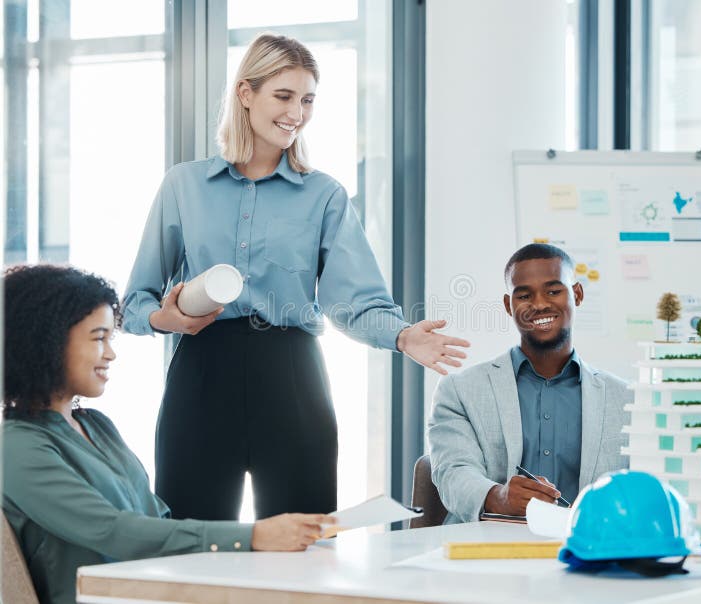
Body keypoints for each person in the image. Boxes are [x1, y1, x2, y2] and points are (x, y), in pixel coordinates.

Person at [122, 32, 469, 521]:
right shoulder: (183, 186)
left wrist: (402, 335)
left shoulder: (324, 195)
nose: (297, 113)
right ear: (246, 93)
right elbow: (134, 302)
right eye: (284, 96)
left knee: (303, 543)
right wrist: (165, 319)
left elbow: (353, 302)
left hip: (292, 380)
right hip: (200, 376)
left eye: (307, 100)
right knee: (191, 538)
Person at [1, 264, 336, 604]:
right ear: (46, 342)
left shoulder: (95, 425)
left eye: (110, 338)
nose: (111, 353)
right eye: (99, 338)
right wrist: (255, 535)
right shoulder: (16, 447)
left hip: (151, 593)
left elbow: (154, 519)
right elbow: (112, 530)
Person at [427, 244, 632, 524]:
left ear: (577, 294)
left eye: (553, 291)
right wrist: (498, 496)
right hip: (487, 543)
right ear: (508, 306)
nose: (539, 304)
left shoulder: (625, 399)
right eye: (524, 295)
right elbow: (452, 472)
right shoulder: (459, 391)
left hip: (588, 544)